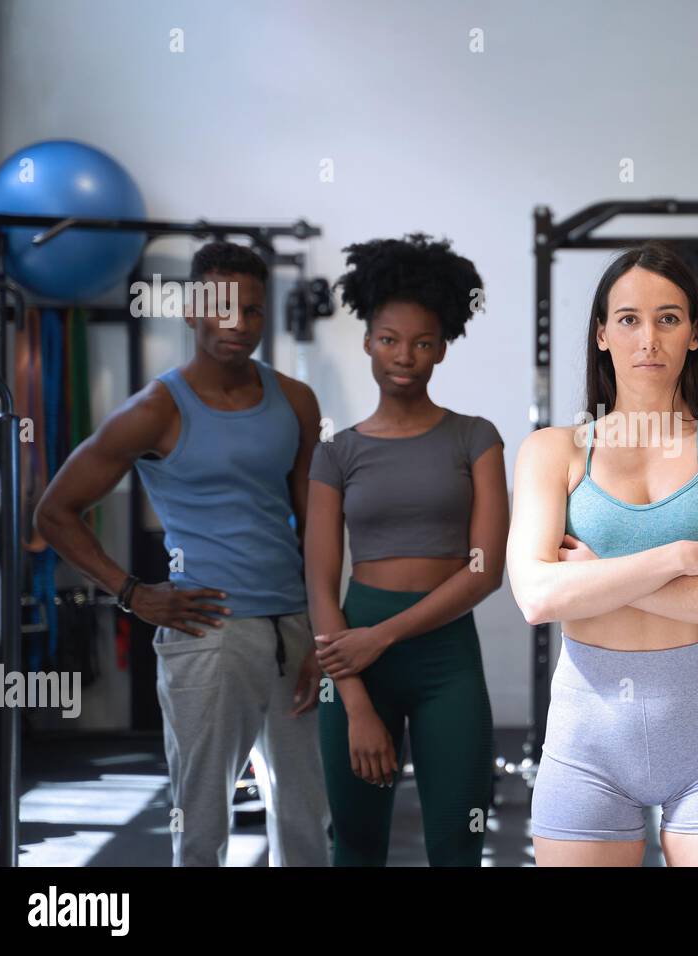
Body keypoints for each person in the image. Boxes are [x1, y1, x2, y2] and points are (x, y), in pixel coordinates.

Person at [34, 241, 330, 866]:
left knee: (306, 817)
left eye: (252, 310)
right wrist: (133, 593)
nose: (238, 324)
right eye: (222, 307)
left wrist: (324, 631)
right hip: (209, 631)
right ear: (192, 310)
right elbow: (54, 513)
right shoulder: (153, 411)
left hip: (294, 627)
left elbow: (317, 526)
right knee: (201, 822)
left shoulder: (296, 401)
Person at [507, 241, 698, 866]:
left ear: (694, 334)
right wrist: (676, 557)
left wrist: (597, 579)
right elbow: (538, 597)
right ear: (602, 334)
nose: (648, 339)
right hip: (585, 739)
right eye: (629, 319)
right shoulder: (552, 450)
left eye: (668, 318)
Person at [306, 234, 507, 866]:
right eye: (390, 339)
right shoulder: (335, 453)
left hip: (446, 659)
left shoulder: (476, 438)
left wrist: (383, 636)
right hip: (353, 662)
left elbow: (485, 571)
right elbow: (319, 586)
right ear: (367, 341)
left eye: (423, 343)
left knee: (457, 844)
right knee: (356, 847)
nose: (405, 356)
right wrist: (355, 699)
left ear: (442, 348)